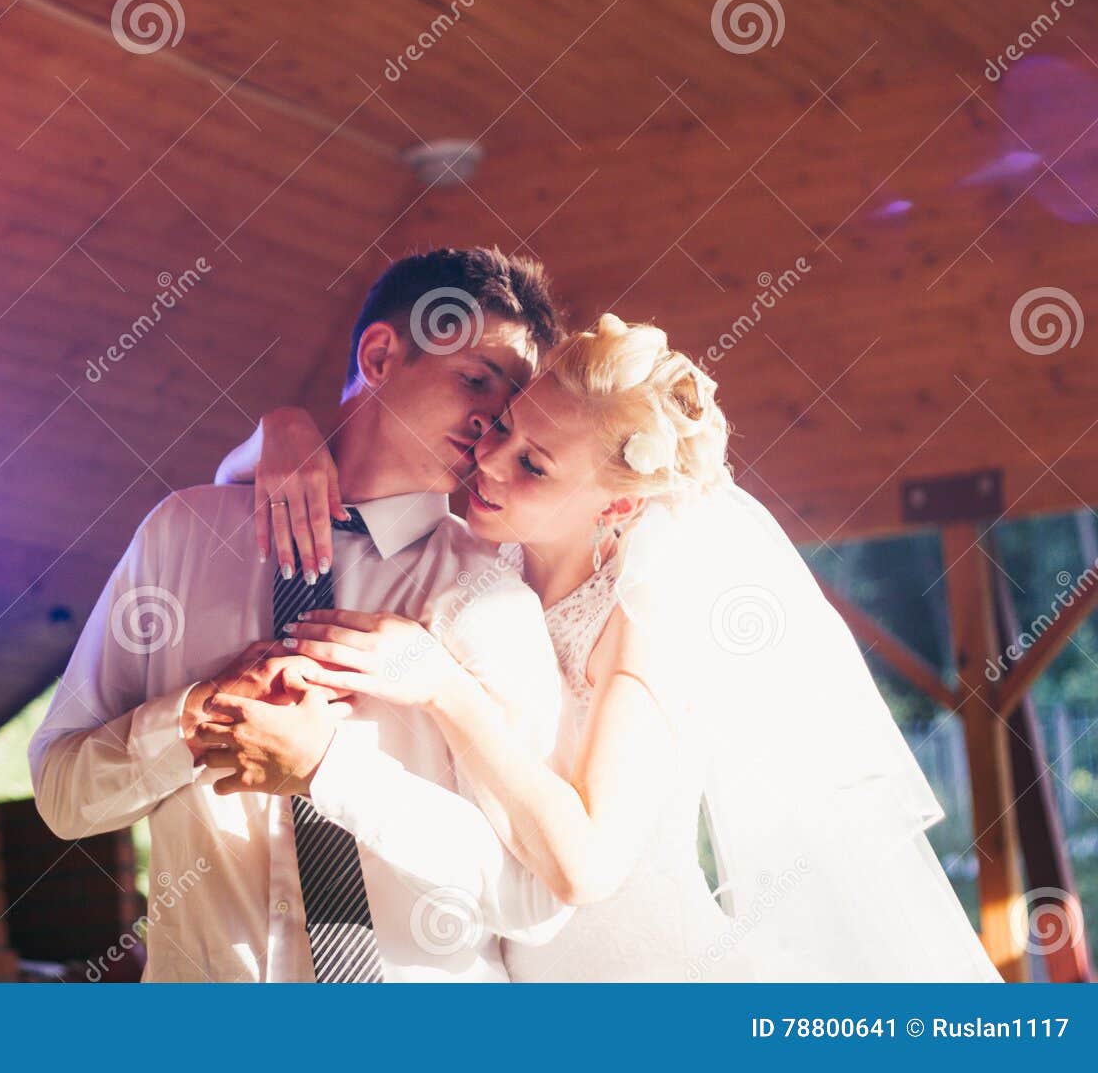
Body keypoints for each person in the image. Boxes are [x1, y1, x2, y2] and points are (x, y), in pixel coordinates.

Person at [213, 312, 1002, 981]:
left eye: (533, 464)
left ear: (620, 501)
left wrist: (442, 686)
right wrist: (282, 429)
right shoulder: (482, 557)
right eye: (506, 428)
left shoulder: (648, 615)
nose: (486, 460)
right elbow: (292, 483)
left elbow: (585, 865)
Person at [29, 247, 576, 981]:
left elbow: (536, 895)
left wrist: (330, 771)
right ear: (381, 355)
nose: (488, 422)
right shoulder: (183, 534)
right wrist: (189, 720)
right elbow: (62, 795)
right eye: (473, 378)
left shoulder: (491, 599)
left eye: (505, 406)